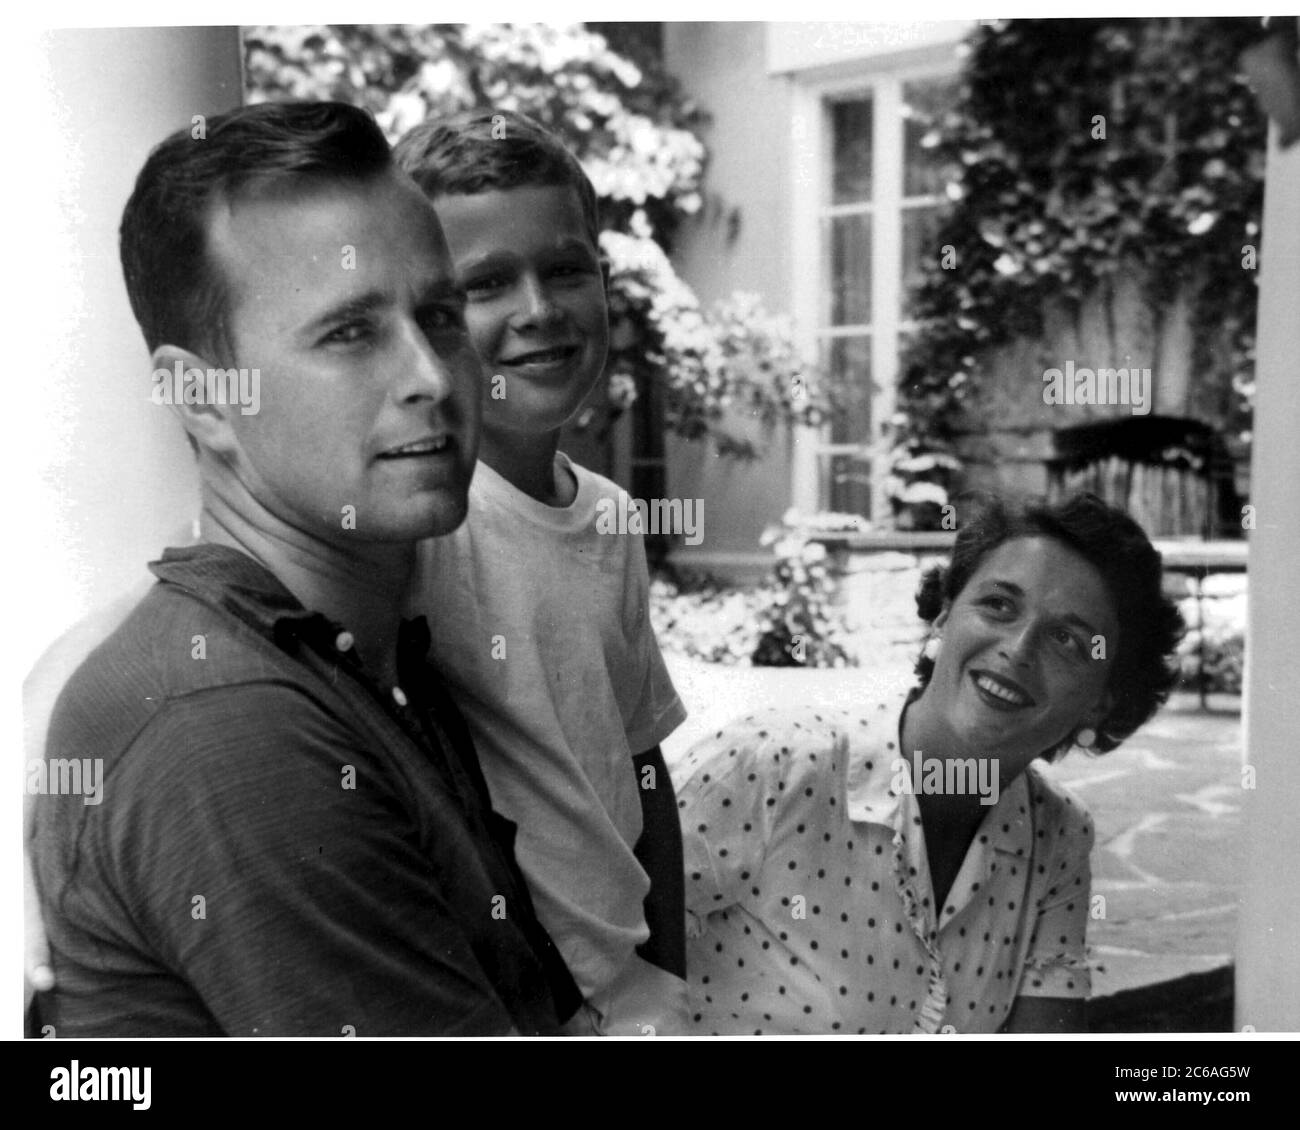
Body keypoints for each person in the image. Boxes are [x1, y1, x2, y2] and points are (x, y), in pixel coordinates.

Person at [27, 100, 582, 1036]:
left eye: (439, 315)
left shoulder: (364, 650)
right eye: (350, 334)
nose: (434, 378)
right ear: (201, 398)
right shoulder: (234, 731)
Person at [673, 492, 1185, 1034]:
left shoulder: (1057, 836)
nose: (1019, 648)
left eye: (1068, 639)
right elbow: (600, 953)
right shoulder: (776, 766)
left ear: (1105, 699)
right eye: (999, 605)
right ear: (944, 616)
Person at [391, 110, 689, 1035]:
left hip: (633, 986)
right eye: (486, 283)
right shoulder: (423, 519)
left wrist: (669, 967)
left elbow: (641, 760)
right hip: (510, 997)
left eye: (566, 268)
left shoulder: (609, 514)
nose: (539, 310)